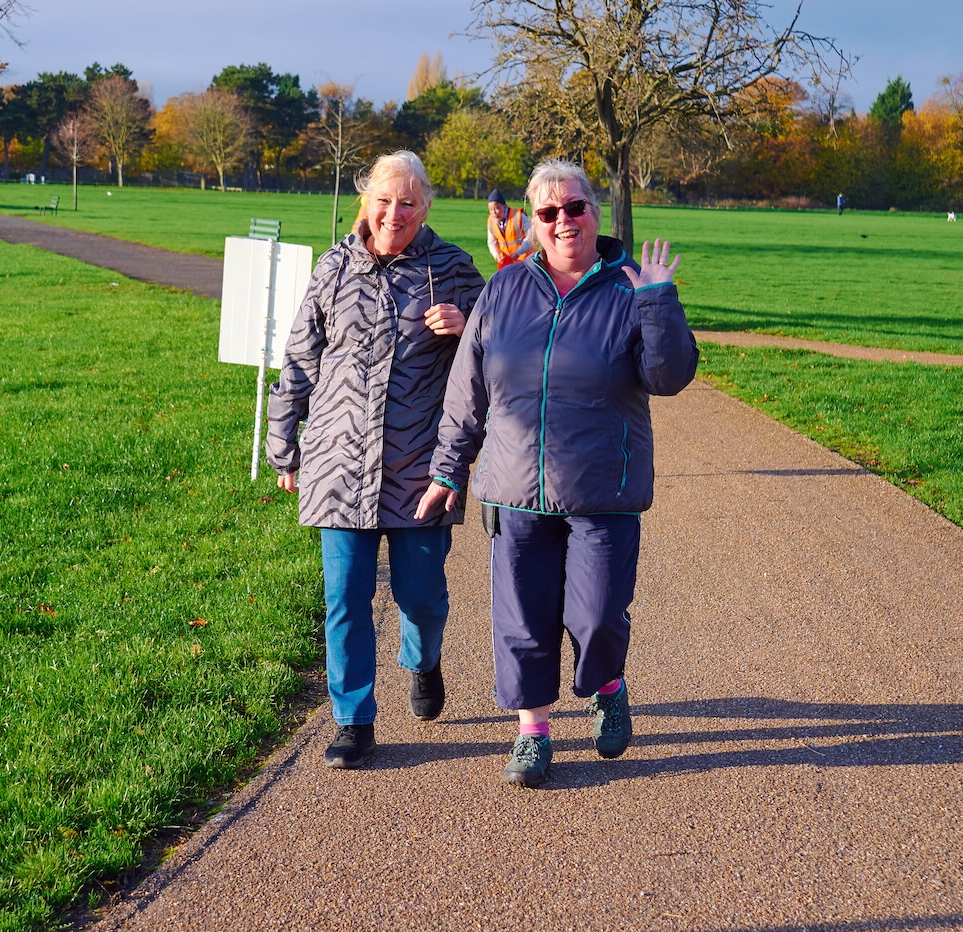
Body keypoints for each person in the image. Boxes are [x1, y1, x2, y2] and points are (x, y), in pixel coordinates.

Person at [415, 159, 699, 787]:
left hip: (604, 488)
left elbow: (669, 377)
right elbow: (468, 391)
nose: (563, 221)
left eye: (575, 208)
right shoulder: (505, 289)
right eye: (548, 213)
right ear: (532, 223)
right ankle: (533, 733)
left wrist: (657, 300)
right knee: (522, 616)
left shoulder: (630, 287)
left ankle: (607, 683)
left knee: (596, 615)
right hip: (515, 487)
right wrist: (448, 471)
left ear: (595, 213)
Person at [268, 150, 486, 769]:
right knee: (346, 597)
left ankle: (423, 659)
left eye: (409, 202)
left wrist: (467, 325)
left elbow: (495, 357)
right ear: (366, 200)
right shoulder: (333, 267)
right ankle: (353, 720)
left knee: (420, 597)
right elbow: (299, 360)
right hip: (338, 463)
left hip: (418, 469)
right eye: (385, 200)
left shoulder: (453, 269)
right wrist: (283, 444)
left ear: (426, 208)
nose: (395, 213)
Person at [486, 188, 535, 270]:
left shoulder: (518, 216)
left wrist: (518, 252)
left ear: (504, 206)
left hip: (526, 261)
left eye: (497, 208)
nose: (494, 212)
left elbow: (532, 234)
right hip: (506, 263)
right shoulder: (491, 221)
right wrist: (496, 255)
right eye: (491, 209)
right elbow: (491, 242)